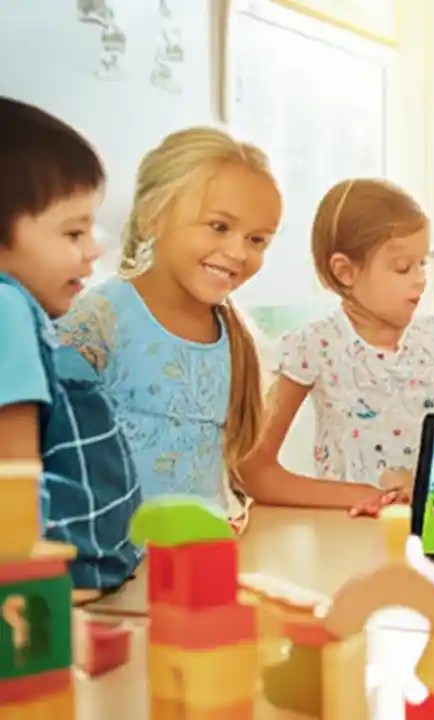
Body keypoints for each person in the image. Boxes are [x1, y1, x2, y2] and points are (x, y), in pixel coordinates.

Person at [58, 127, 281, 530]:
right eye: (218, 226)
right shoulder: (102, 319)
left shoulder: (234, 336)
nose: (237, 252)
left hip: (200, 562)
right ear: (152, 216)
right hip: (115, 571)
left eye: (257, 240)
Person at [240, 178, 434, 509]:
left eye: (422, 263)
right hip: (344, 534)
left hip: (432, 533)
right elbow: (255, 471)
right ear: (345, 272)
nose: (420, 279)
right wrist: (366, 497)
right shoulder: (312, 347)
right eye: (402, 268)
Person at [0, 97, 141, 591]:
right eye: (73, 231)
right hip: (56, 588)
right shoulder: (7, 309)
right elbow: (13, 493)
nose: (95, 247)